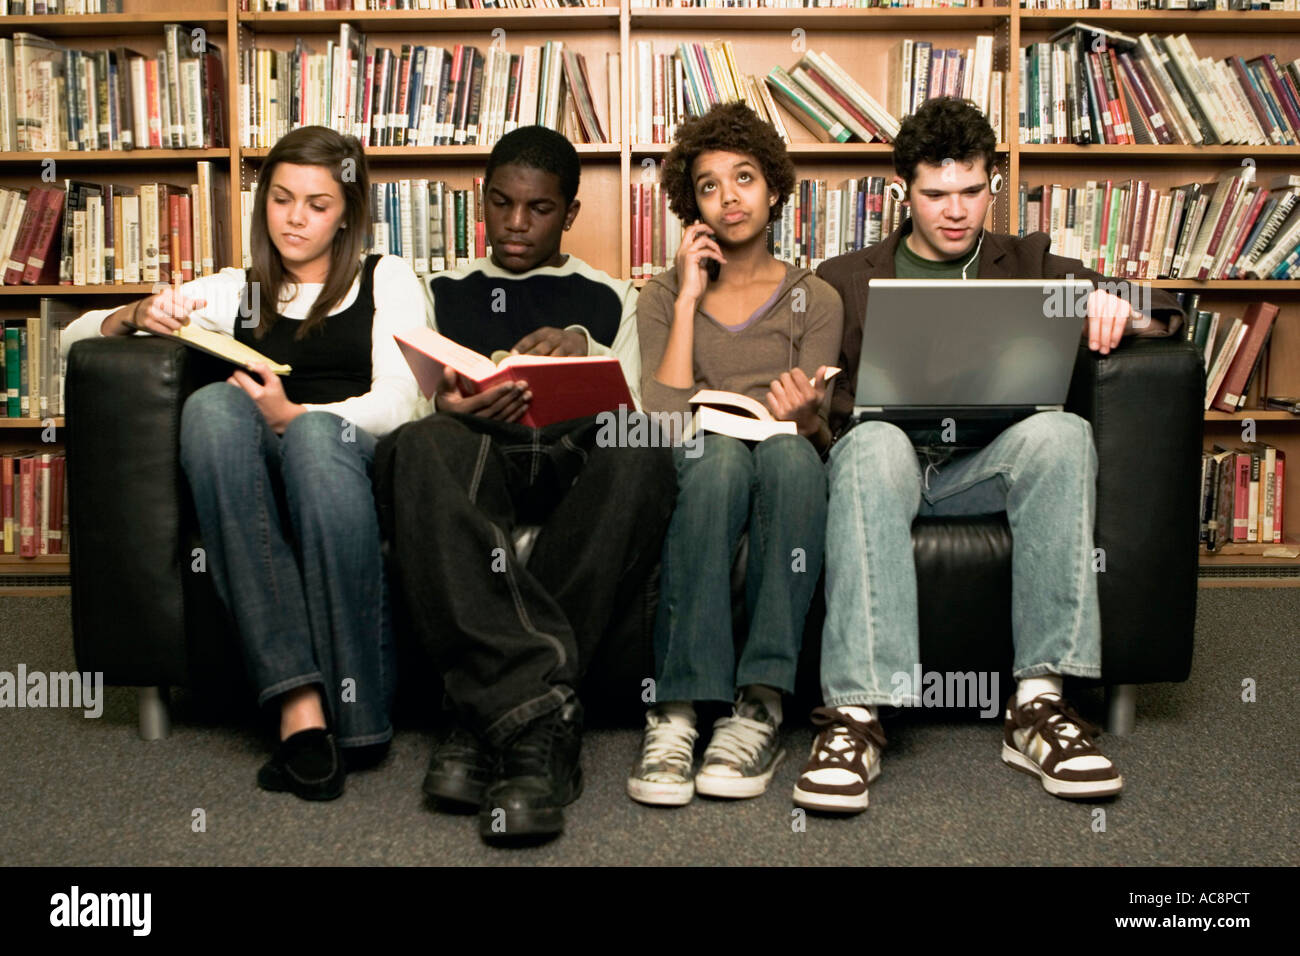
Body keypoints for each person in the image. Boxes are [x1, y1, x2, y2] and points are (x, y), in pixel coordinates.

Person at [795, 96, 1184, 813]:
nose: (955, 211)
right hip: (891, 467)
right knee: (870, 443)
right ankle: (855, 716)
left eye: (971, 192)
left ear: (991, 187)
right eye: (935, 194)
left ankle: (1039, 705)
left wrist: (1120, 307)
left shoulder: (1028, 260)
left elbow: (1164, 303)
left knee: (1063, 433)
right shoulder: (846, 274)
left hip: (987, 470)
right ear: (901, 192)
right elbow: (814, 386)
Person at [61, 125, 428, 800]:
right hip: (259, 471)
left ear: (348, 210)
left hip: (348, 464)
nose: (295, 218)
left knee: (317, 441)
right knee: (209, 410)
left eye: (317, 204)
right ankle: (298, 704)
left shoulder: (388, 278)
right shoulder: (242, 290)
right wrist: (139, 312)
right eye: (281, 199)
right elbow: (75, 338)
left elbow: (401, 404)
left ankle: (359, 712)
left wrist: (296, 417)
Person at [372, 125, 676, 841]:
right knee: (417, 447)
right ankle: (536, 718)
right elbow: (402, 402)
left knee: (642, 451)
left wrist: (585, 349)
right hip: (476, 453)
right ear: (481, 199)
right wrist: (448, 404)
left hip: (572, 459)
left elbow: (634, 401)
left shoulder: (612, 296)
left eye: (538, 209)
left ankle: (481, 716)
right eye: (501, 203)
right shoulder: (434, 290)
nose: (515, 223)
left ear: (570, 212)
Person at [628, 103, 842, 806]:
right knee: (717, 460)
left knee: (789, 460)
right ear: (693, 205)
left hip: (784, 455)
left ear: (773, 189)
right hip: (702, 457)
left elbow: (824, 437)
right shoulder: (660, 296)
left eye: (744, 178)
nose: (730, 198)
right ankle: (679, 710)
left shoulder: (818, 297)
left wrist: (807, 421)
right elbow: (662, 421)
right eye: (710, 186)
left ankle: (759, 706)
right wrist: (690, 298)